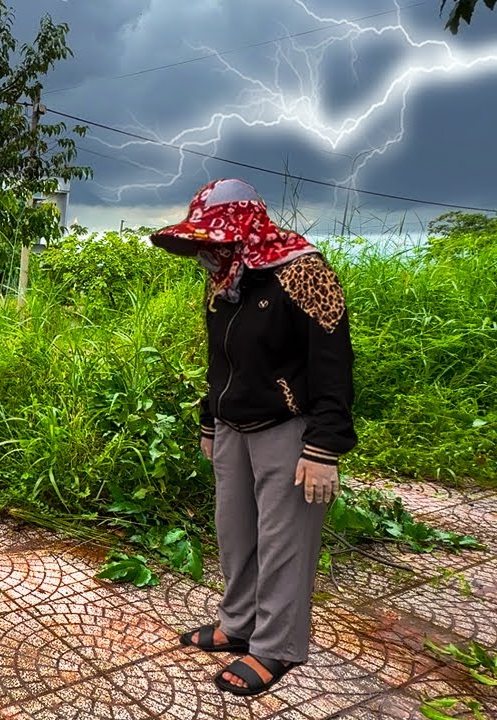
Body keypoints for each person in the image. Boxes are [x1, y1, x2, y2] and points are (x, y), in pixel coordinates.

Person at [150, 179, 356, 696]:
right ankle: (237, 623)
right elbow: (221, 358)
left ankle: (275, 647)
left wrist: (325, 446)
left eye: (216, 240)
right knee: (234, 531)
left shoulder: (303, 271)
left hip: (288, 431)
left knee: (284, 542)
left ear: (246, 230)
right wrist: (208, 418)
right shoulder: (227, 279)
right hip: (231, 428)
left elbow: (333, 363)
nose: (207, 252)